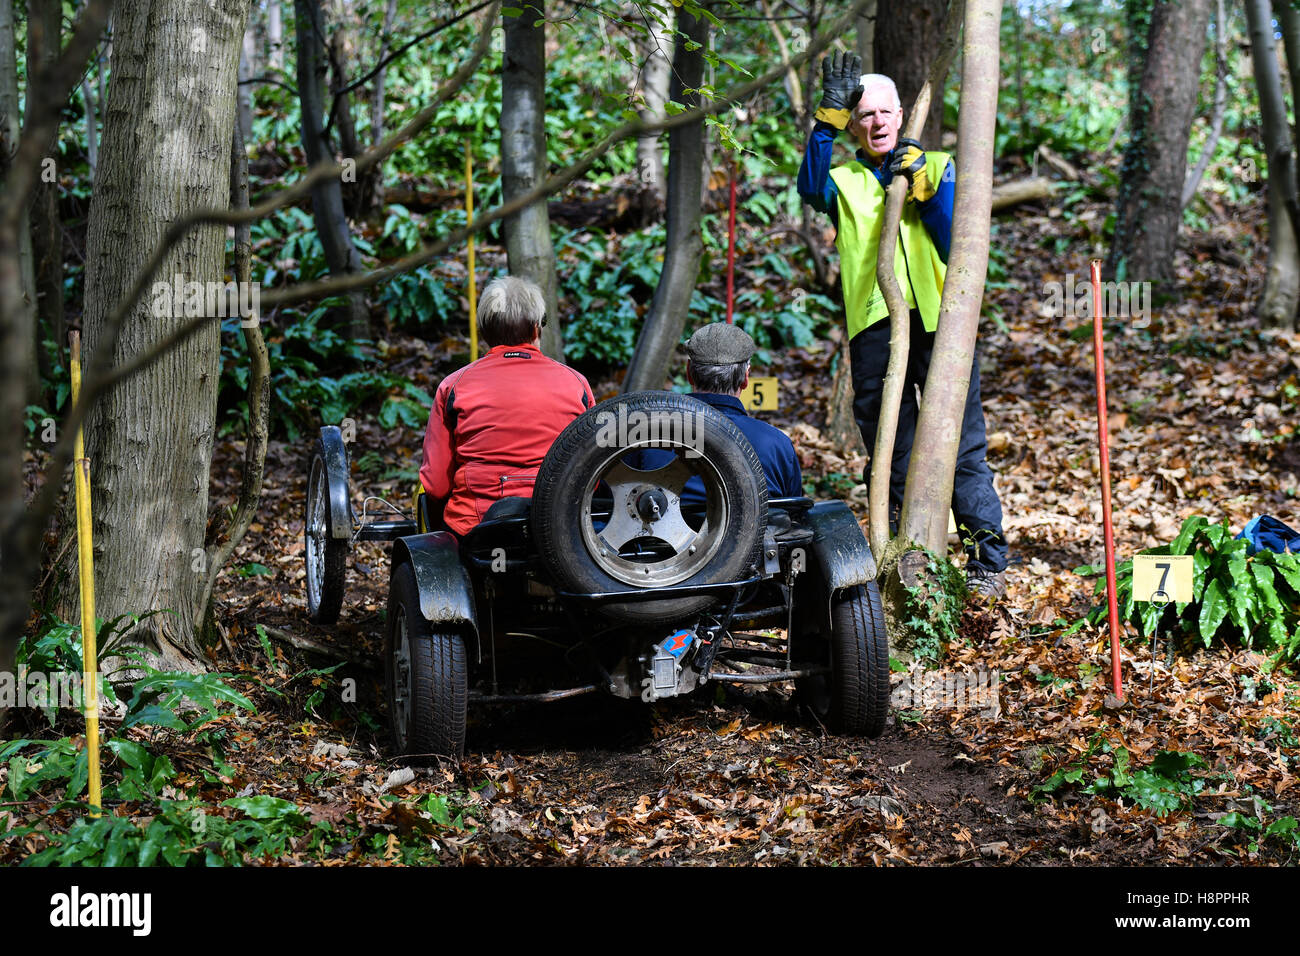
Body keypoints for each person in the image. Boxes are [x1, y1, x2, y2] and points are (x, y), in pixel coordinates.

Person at [797, 52, 1008, 598]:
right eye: (864, 115)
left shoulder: (936, 166)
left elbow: (951, 242)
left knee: (961, 446)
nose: (878, 123)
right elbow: (808, 186)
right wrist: (826, 120)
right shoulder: (842, 180)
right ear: (855, 125)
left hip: (941, 323)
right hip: (875, 326)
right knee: (891, 447)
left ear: (900, 113)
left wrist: (922, 185)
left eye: (885, 112)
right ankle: (899, 554)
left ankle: (987, 562)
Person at [419, 276, 594, 536]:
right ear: (536, 328)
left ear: (485, 333)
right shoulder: (576, 384)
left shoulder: (453, 386)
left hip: (475, 531)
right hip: (559, 531)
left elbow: (435, 484)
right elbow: (595, 472)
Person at [639, 323, 802, 505]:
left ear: (689, 373)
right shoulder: (776, 444)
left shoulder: (641, 434)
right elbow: (793, 514)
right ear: (745, 379)